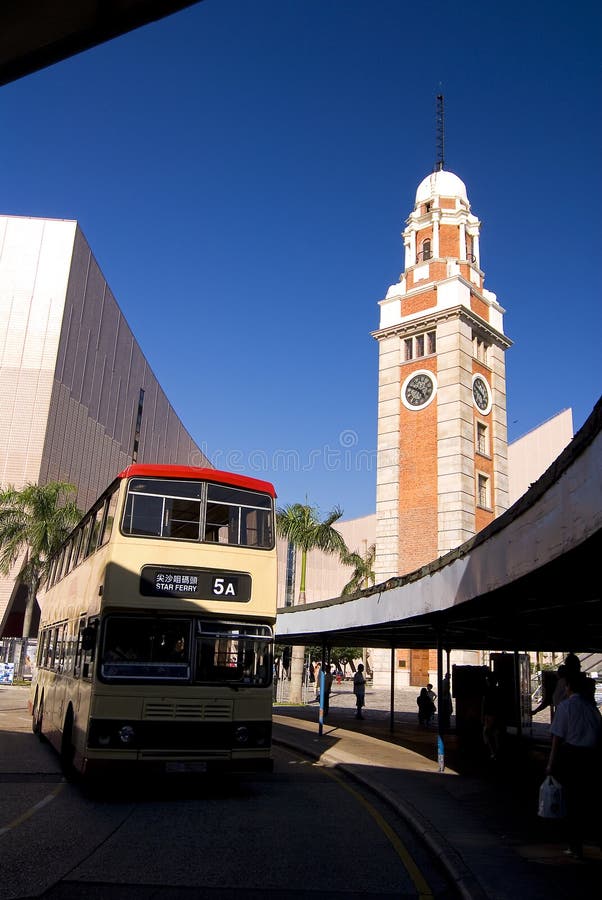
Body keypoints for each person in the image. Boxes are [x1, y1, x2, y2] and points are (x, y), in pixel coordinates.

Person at [546, 670, 602, 859]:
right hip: (592, 757)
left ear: (569, 687)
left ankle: (575, 846)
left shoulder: (566, 707)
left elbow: (557, 738)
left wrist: (550, 764)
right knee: (590, 801)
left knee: (572, 802)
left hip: (572, 756)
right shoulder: (592, 708)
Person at [482, 671, 503, 760]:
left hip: (489, 714)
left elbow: (484, 704)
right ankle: (497, 750)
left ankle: (492, 751)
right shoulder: (498, 690)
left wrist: (482, 716)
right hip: (496, 713)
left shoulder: (487, 691)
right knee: (495, 732)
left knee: (487, 732)